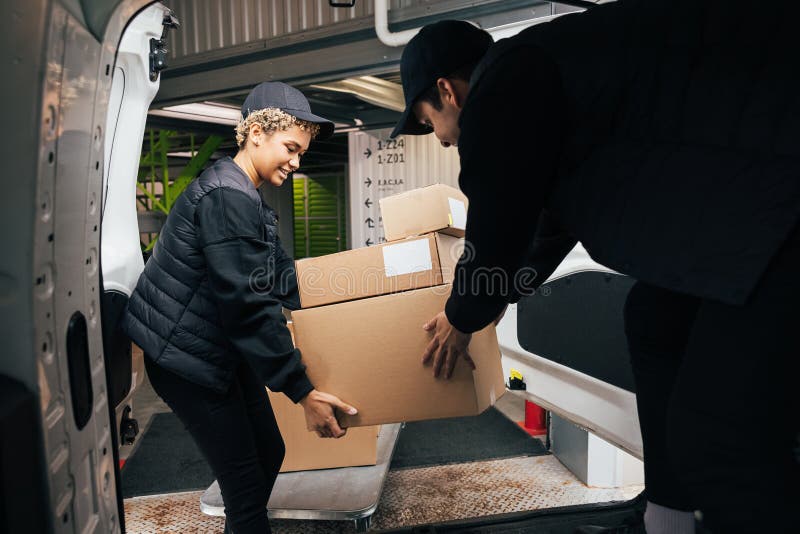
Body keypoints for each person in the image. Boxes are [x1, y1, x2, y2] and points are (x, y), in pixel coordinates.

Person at [391, 2, 799, 533]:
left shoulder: (504, 84)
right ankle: (667, 519)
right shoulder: (549, 75)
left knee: (718, 436)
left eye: (431, 124)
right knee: (651, 317)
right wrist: (489, 301)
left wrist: (463, 315)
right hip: (747, 202)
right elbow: (544, 226)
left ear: (447, 90)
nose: (444, 140)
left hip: (774, 208)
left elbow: (498, 222)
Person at [121, 82, 357, 534]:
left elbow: (279, 276)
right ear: (256, 134)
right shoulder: (226, 197)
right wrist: (303, 392)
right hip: (184, 359)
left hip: (216, 345)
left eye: (302, 153)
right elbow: (248, 305)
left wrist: (348, 304)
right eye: (291, 148)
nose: (296, 162)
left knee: (269, 451)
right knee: (246, 488)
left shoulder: (243, 193)